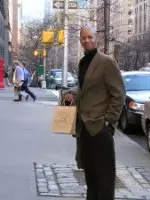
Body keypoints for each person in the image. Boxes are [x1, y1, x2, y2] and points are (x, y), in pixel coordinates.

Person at [64, 26, 126, 200]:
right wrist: (71, 94)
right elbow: (85, 89)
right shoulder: (83, 62)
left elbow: (119, 94)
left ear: (96, 38)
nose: (86, 40)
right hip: (84, 127)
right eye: (83, 38)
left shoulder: (106, 62)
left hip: (100, 128)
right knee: (90, 174)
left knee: (104, 176)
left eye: (90, 37)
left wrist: (108, 121)